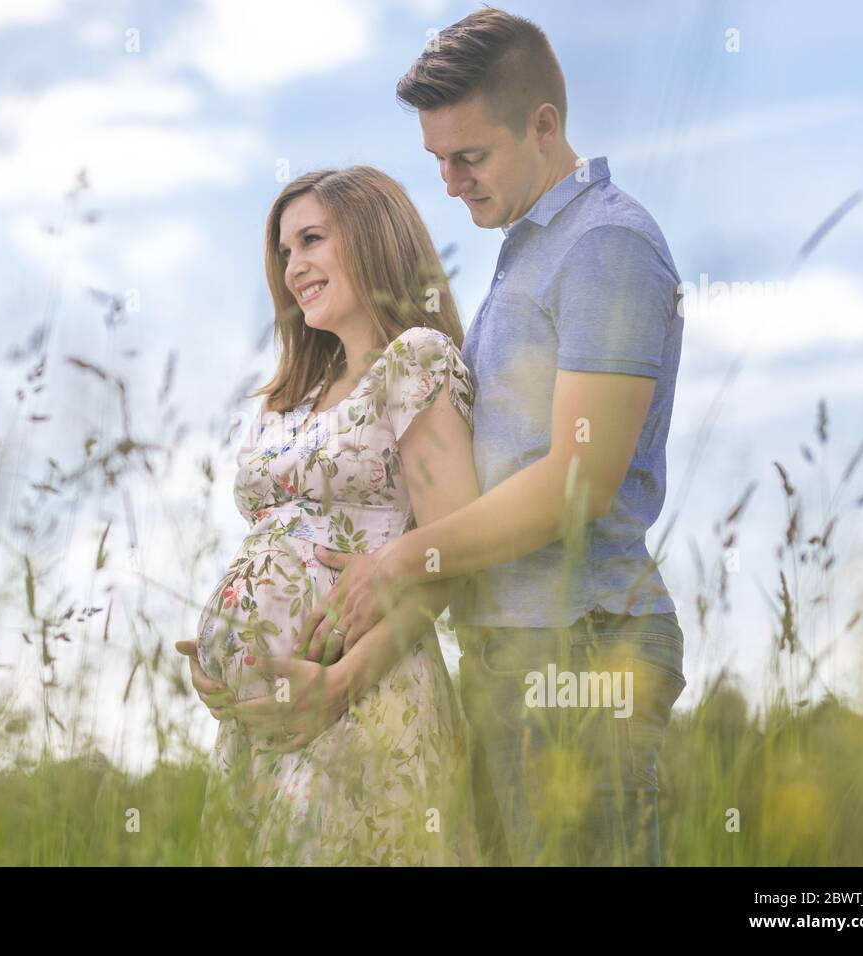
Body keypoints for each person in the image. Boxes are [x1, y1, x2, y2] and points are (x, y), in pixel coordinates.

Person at [301, 7, 689, 866]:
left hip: (583, 647)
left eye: (468, 157)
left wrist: (403, 563)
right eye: (437, 160)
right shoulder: (528, 250)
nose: (449, 181)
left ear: (543, 125)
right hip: (513, 650)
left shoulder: (606, 245)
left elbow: (578, 486)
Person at [174, 164, 482, 865]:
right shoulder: (294, 393)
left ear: (373, 239)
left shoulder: (414, 362)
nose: (293, 267)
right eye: (284, 252)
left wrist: (343, 682)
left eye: (311, 240)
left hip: (363, 698)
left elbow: (451, 555)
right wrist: (225, 655)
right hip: (264, 726)